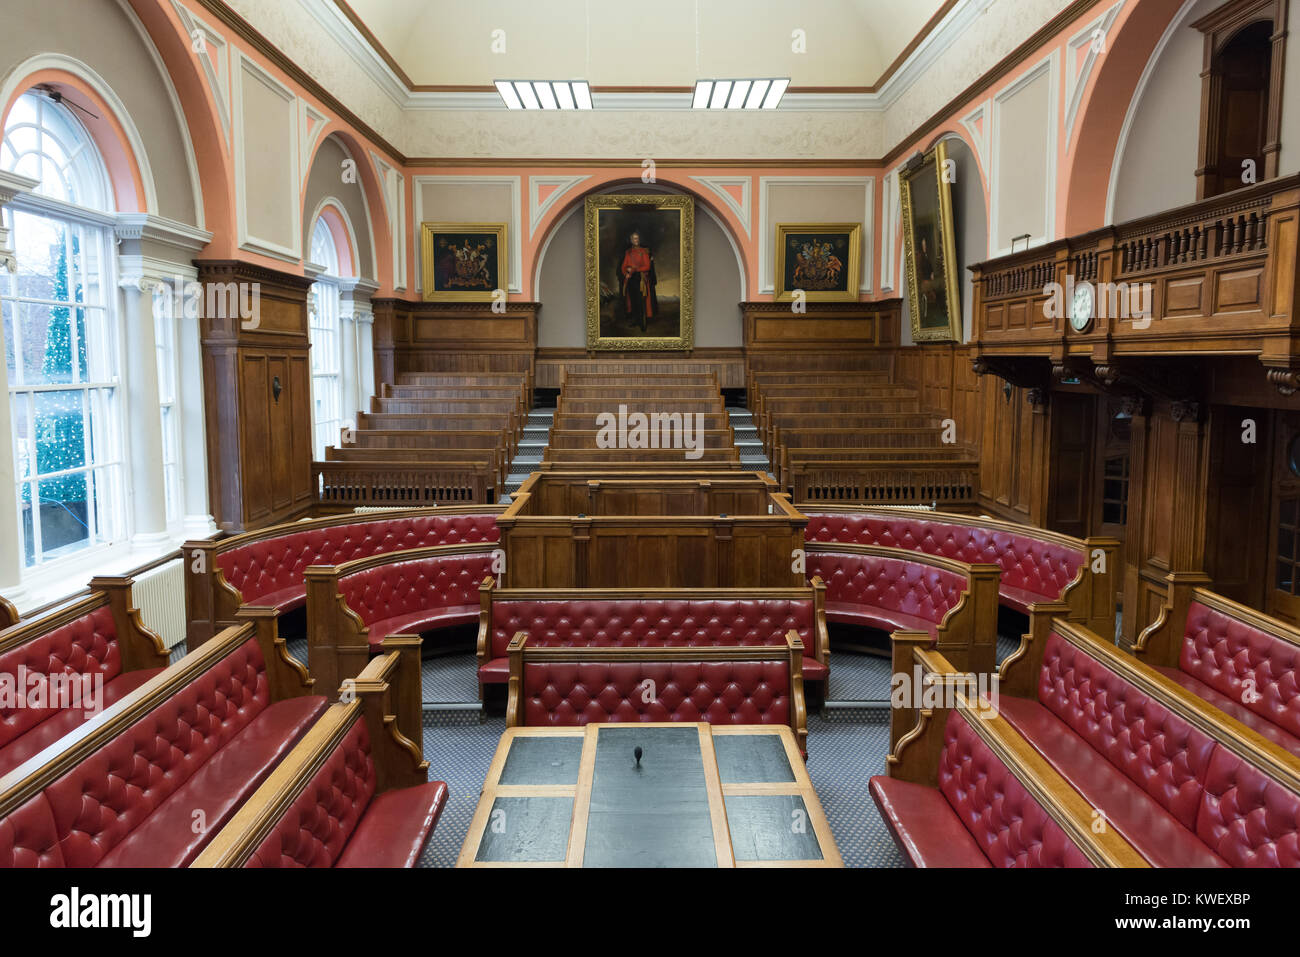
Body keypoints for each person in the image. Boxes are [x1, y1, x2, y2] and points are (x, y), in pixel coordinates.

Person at [620, 230, 657, 331]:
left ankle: (642, 323)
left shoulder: (644, 251)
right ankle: (636, 320)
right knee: (633, 301)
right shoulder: (628, 252)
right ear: (631, 240)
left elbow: (647, 266)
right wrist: (626, 273)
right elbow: (623, 266)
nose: (636, 240)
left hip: (640, 279)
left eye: (637, 238)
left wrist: (633, 269)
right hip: (631, 279)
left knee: (641, 302)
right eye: (634, 238)